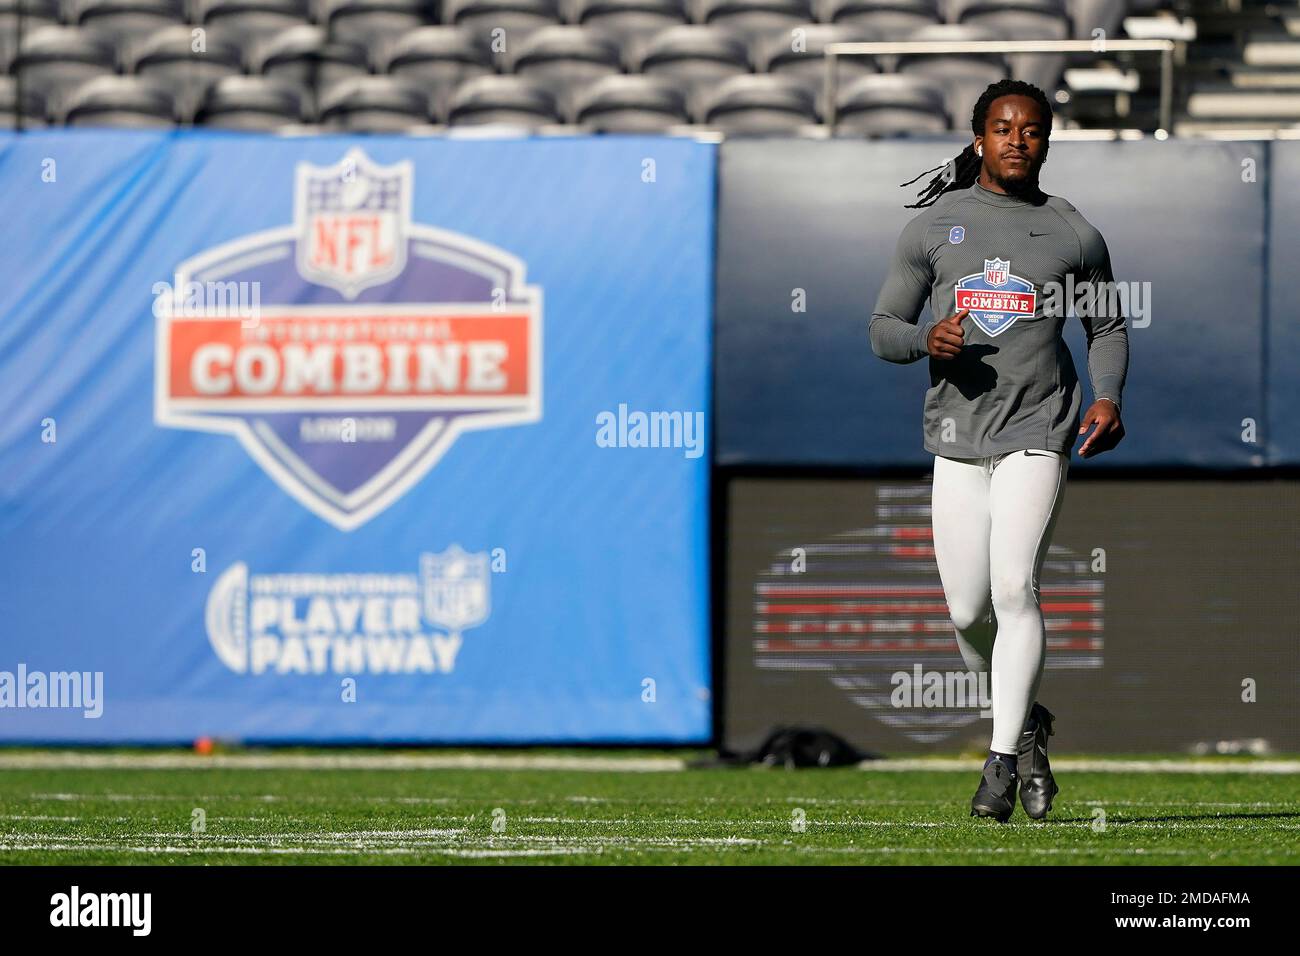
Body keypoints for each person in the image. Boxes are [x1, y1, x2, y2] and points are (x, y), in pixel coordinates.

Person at [868, 79, 1130, 822]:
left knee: (1015, 587)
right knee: (966, 611)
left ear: (1047, 140)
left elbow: (1107, 327)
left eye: (1034, 130)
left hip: (1039, 433)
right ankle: (1028, 725)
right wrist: (925, 338)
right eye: (1004, 128)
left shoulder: (1074, 231)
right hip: (956, 440)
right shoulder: (934, 226)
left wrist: (1107, 397)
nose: (1019, 140)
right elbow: (882, 325)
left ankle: (1000, 760)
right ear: (979, 137)